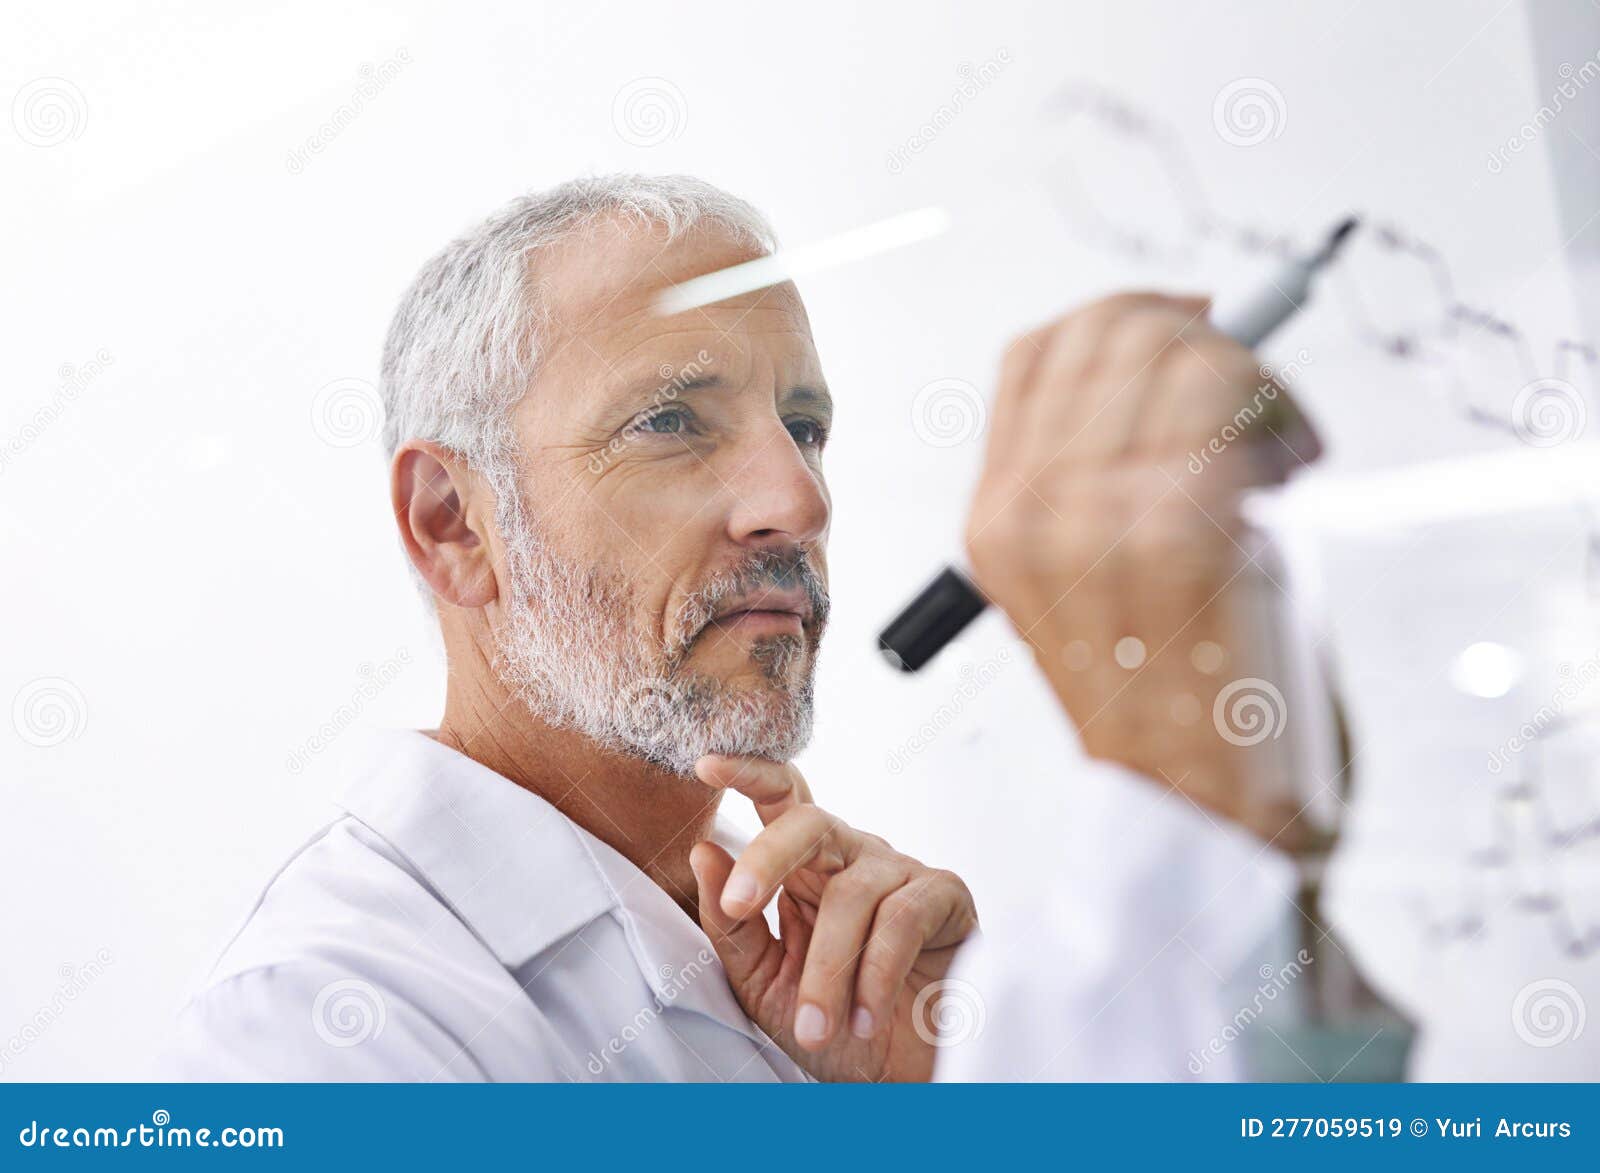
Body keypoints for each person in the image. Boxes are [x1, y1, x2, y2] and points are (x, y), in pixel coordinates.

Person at [164, 175, 1318, 1081]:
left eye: (804, 426)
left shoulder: (815, 968)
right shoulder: (324, 1022)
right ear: (453, 523)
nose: (798, 501)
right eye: (671, 420)